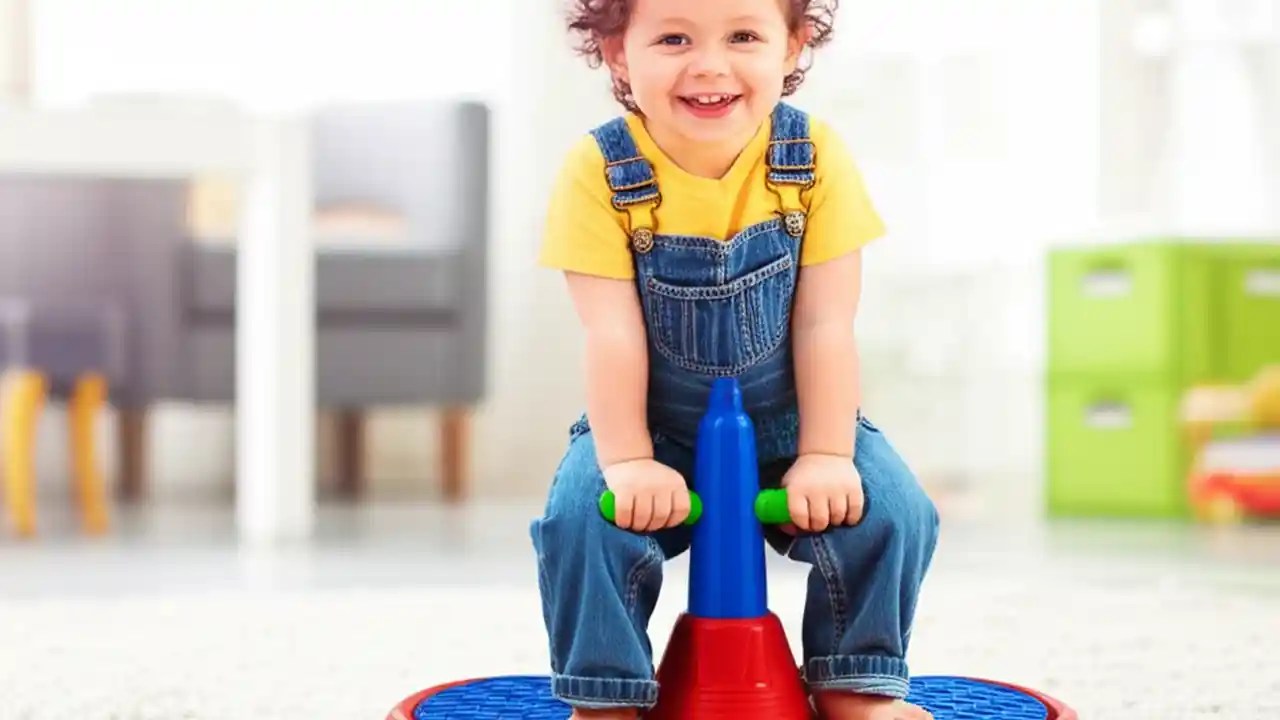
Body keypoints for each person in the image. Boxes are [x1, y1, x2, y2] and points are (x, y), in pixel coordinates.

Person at [529, 0, 940, 718]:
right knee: (575, 519)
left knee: (896, 511)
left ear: (793, 46)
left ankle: (854, 683)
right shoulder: (599, 169)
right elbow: (611, 334)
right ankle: (604, 696)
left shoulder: (813, 159)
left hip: (792, 424)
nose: (710, 64)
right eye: (675, 38)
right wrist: (626, 461)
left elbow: (825, 324)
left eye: (743, 36)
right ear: (618, 51)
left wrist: (826, 453)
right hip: (651, 431)